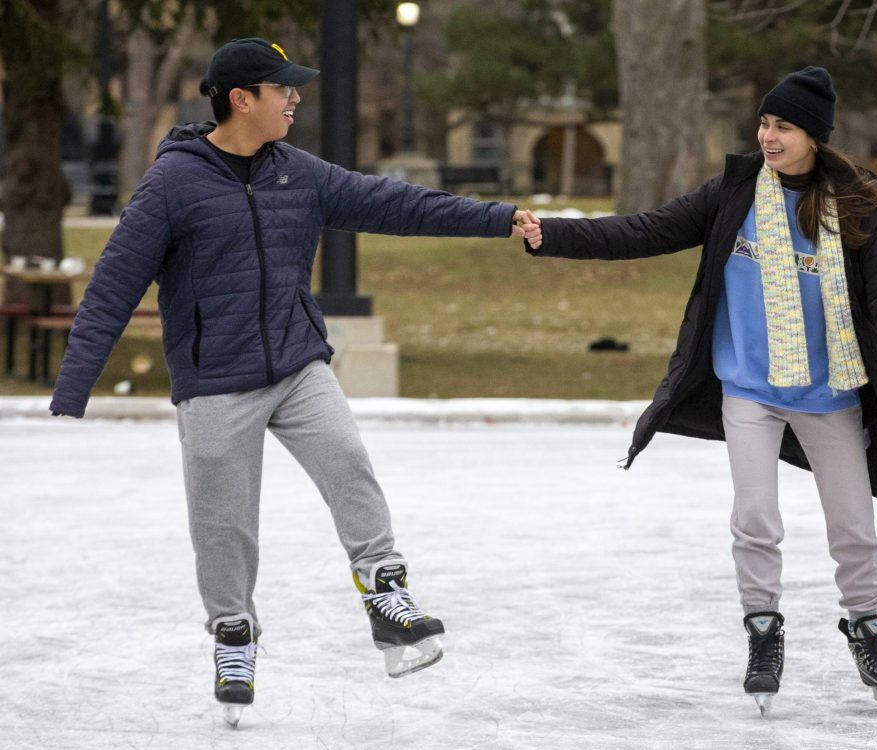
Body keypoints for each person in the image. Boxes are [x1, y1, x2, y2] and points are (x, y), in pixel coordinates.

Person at [49, 38, 532, 728]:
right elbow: (113, 286)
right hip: (215, 379)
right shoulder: (172, 185)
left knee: (350, 465)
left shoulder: (296, 172)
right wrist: (75, 386)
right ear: (241, 99)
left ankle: (386, 596)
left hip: (298, 365)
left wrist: (495, 218)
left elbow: (394, 204)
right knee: (223, 525)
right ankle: (234, 636)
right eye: (283, 88)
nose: (296, 97)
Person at [520, 67, 877, 716]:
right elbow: (647, 230)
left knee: (855, 527)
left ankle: (870, 637)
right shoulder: (735, 195)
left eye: (785, 127)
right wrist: (555, 234)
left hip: (829, 393)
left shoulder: (851, 208)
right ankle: (764, 632)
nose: (769, 136)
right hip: (749, 388)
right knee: (755, 520)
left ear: (816, 138)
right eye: (765, 124)